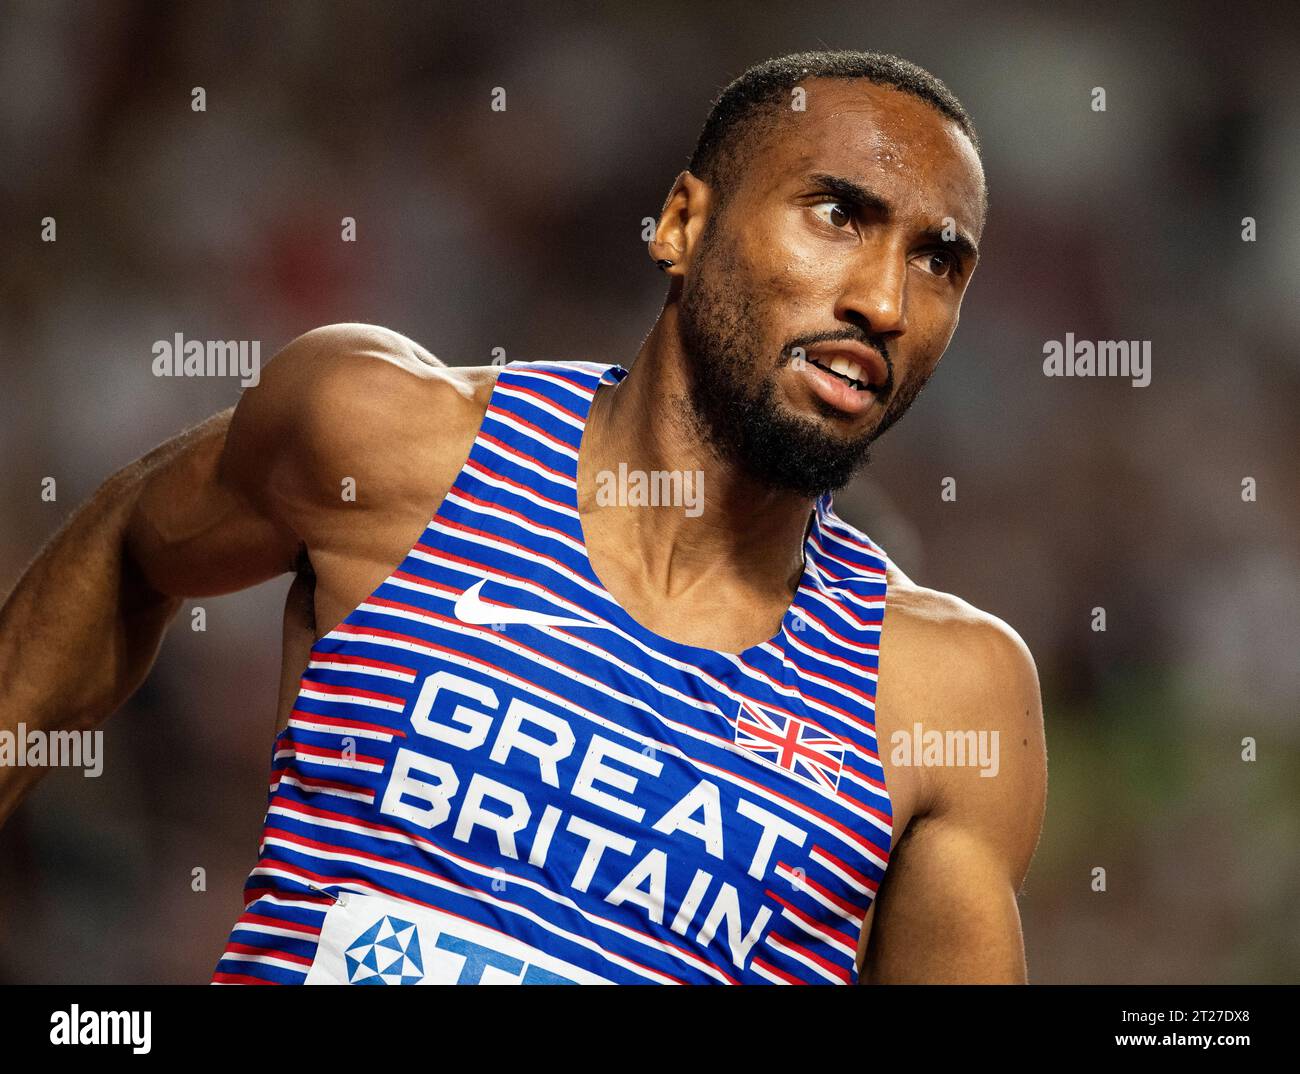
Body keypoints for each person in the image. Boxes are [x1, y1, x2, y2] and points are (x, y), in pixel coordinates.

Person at [0, 49, 1046, 984]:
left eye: (936, 260)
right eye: (837, 214)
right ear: (681, 223)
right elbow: (128, 549)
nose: (885, 301)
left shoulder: (941, 694)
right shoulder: (383, 444)